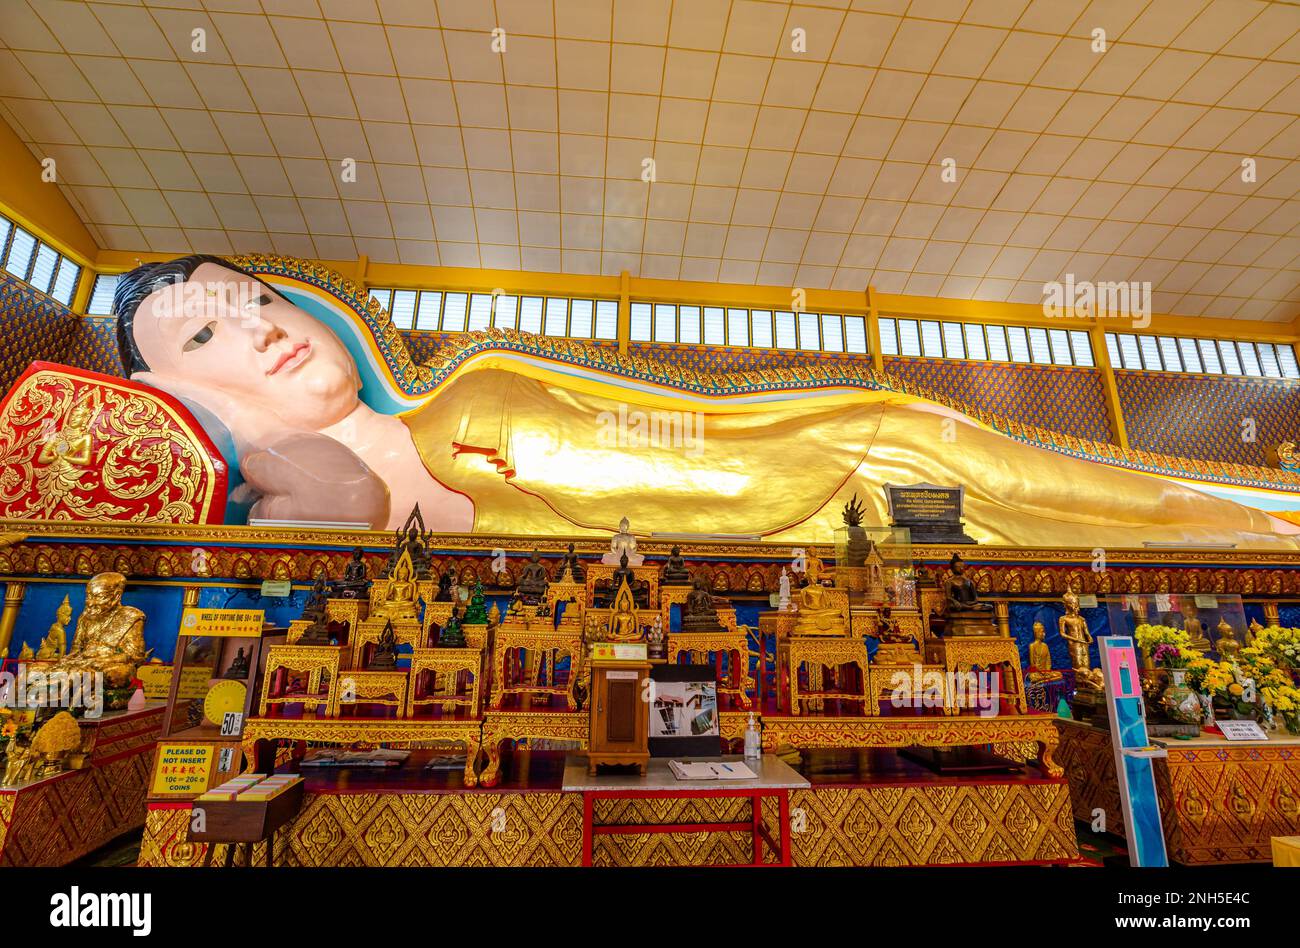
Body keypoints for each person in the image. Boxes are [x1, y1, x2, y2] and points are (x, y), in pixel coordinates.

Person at [110, 255, 1300, 548]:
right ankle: (1255, 517)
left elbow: (719, 447)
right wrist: (244, 434)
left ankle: (1260, 517)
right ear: (170, 389)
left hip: (842, 453)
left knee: (954, 452)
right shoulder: (322, 492)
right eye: (205, 333)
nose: (260, 325)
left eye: (256, 296)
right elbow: (346, 508)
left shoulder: (464, 394)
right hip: (829, 494)